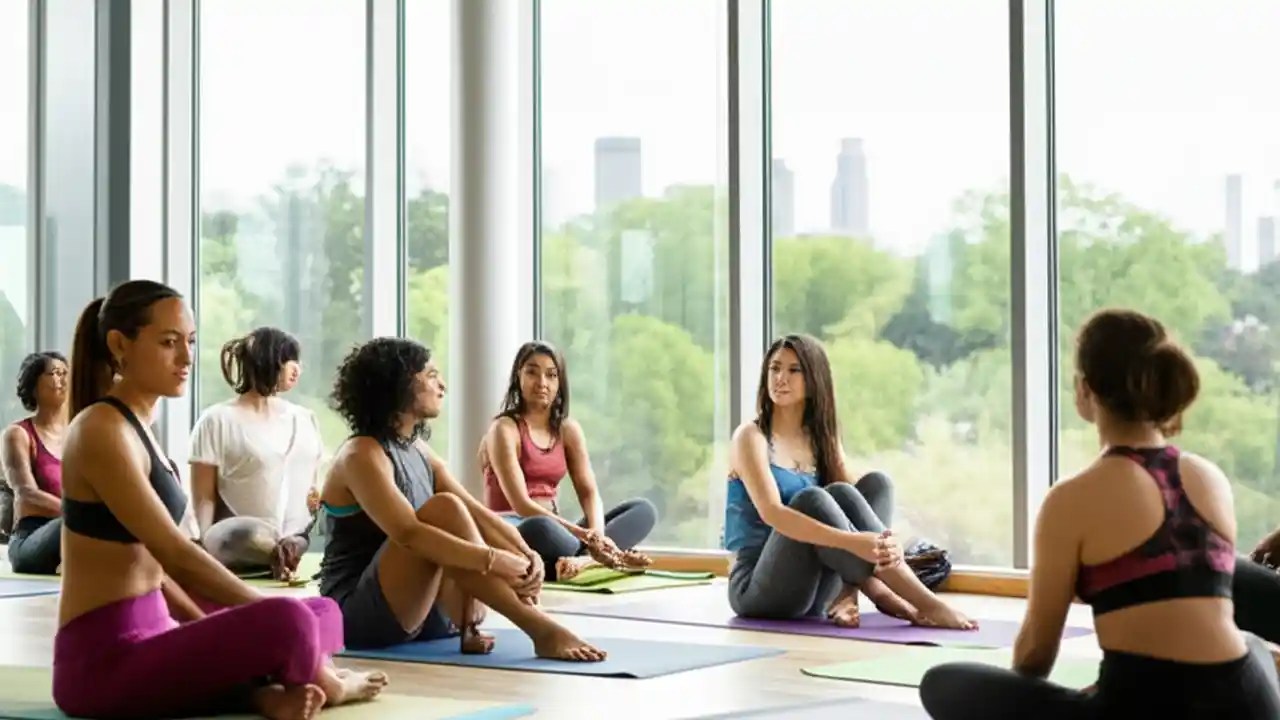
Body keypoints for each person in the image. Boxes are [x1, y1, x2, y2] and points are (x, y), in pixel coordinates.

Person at [919, 308, 1280, 719]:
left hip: (1143, 709)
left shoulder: (1071, 499)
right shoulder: (1209, 477)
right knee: (1249, 644)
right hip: (1249, 705)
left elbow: (1035, 656)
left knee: (944, 683)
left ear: (1084, 390)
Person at [53, 279, 384, 720]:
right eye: (168, 342)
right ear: (119, 344)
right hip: (101, 665)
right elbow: (175, 555)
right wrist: (265, 611)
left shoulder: (139, 428)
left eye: (190, 342)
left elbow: (158, 576)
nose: (187, 358)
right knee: (289, 621)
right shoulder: (100, 429)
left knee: (321, 611)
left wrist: (211, 625)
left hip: (157, 631)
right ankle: (320, 683)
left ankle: (258, 691)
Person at [317, 337, 606, 660]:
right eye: (431, 375)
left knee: (463, 513)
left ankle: (508, 622)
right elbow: (409, 533)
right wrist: (494, 559)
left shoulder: (418, 450)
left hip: (426, 613)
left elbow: (477, 511)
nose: (442, 385)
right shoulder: (360, 454)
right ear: (398, 384)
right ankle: (541, 629)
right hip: (360, 617)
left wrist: (527, 554)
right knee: (445, 509)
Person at [724, 333, 975, 630]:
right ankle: (918, 602)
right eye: (775, 368)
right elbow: (773, 513)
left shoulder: (821, 438)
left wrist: (891, 539)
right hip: (761, 590)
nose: (781, 378)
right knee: (811, 500)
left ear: (814, 379)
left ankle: (849, 594)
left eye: (794, 370)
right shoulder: (750, 436)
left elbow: (855, 500)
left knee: (875, 484)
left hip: (816, 590)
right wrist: (854, 542)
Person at [480, 341, 657, 580]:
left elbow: (589, 493)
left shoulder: (567, 430)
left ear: (560, 383)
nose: (542, 382)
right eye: (532, 372)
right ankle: (601, 559)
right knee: (539, 527)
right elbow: (521, 504)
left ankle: (584, 561)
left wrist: (597, 536)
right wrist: (583, 535)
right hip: (517, 529)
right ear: (518, 377)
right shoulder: (504, 429)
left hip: (560, 532)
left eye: (551, 375)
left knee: (643, 510)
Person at [190, 327, 325, 580]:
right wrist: (204, 549)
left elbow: (313, 487)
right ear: (265, 360)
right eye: (287, 359)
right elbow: (204, 498)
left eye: (297, 361)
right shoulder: (217, 420)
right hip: (238, 553)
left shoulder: (306, 418)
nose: (297, 368)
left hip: (297, 551)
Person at [1, 351, 68, 574]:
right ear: (34, 386)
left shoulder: (78, 434)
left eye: (66, 373)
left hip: (77, 527)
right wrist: (81, 514)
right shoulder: (18, 434)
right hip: (31, 538)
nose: (63, 379)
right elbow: (26, 494)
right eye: (55, 372)